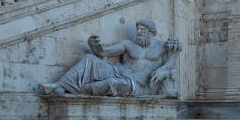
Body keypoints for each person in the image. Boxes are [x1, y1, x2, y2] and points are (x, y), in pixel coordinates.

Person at [39, 19, 180, 97]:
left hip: (139, 86)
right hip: (120, 72)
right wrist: (93, 45)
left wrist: (163, 70)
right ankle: (60, 85)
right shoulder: (128, 44)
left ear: (151, 32)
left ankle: (76, 89)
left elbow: (171, 63)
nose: (139, 33)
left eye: (142, 30)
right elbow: (104, 52)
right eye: (138, 30)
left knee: (113, 83)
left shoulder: (162, 46)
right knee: (89, 58)